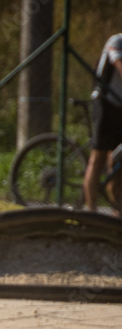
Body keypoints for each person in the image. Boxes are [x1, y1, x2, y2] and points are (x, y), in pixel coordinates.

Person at [85, 33, 122, 212]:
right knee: (98, 158)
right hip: (105, 105)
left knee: (117, 161)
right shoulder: (116, 41)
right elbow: (120, 66)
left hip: (121, 108)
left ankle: (117, 213)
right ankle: (91, 212)